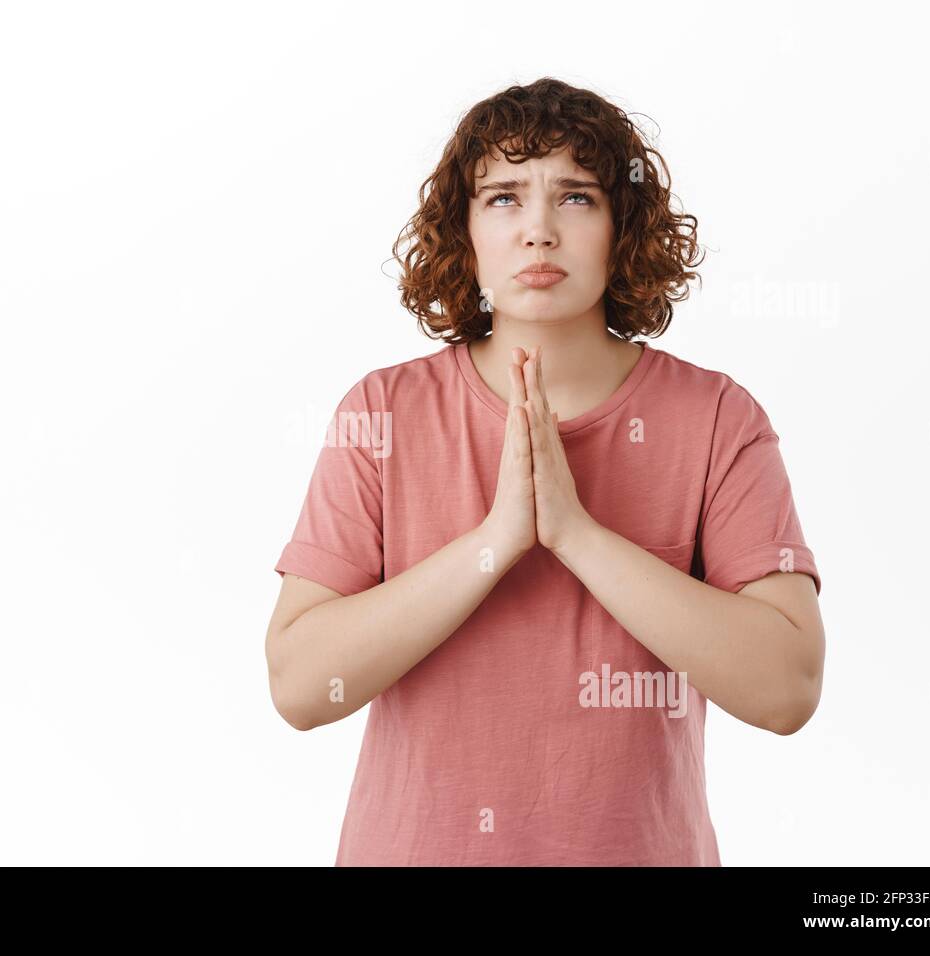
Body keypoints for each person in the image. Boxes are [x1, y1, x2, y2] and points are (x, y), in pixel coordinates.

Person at [264, 77, 825, 866]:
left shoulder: (717, 418)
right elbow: (298, 687)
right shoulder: (382, 410)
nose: (537, 231)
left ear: (620, 225)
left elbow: (786, 690)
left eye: (575, 198)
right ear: (463, 230)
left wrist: (575, 533)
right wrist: (496, 540)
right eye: (502, 198)